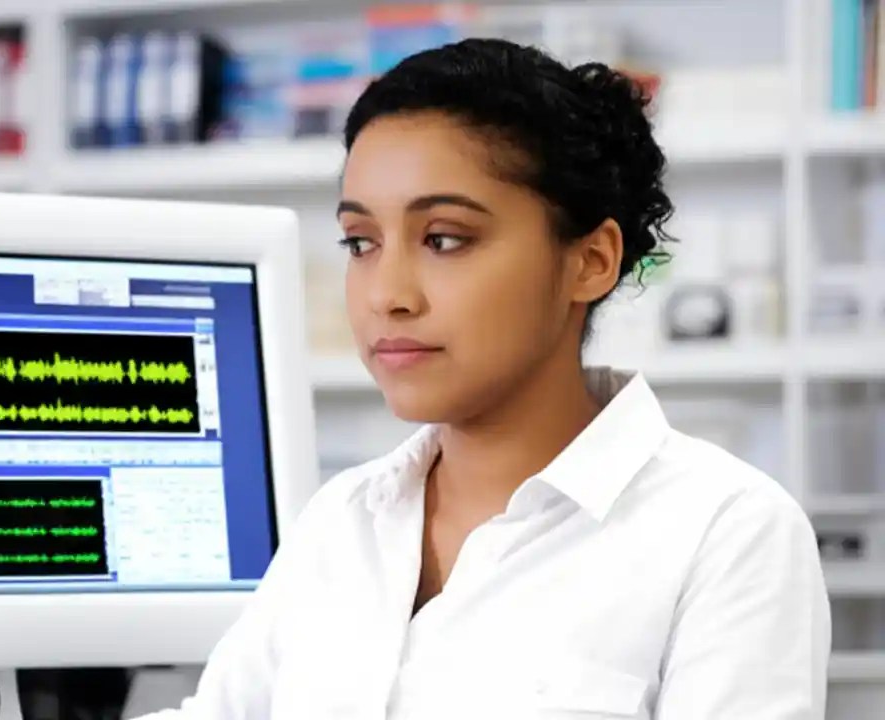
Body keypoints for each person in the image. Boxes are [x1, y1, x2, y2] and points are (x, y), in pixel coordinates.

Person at [148, 38, 830, 718]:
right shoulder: (342, 520)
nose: (387, 294)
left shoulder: (728, 532)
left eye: (444, 238)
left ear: (590, 260)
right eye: (362, 243)